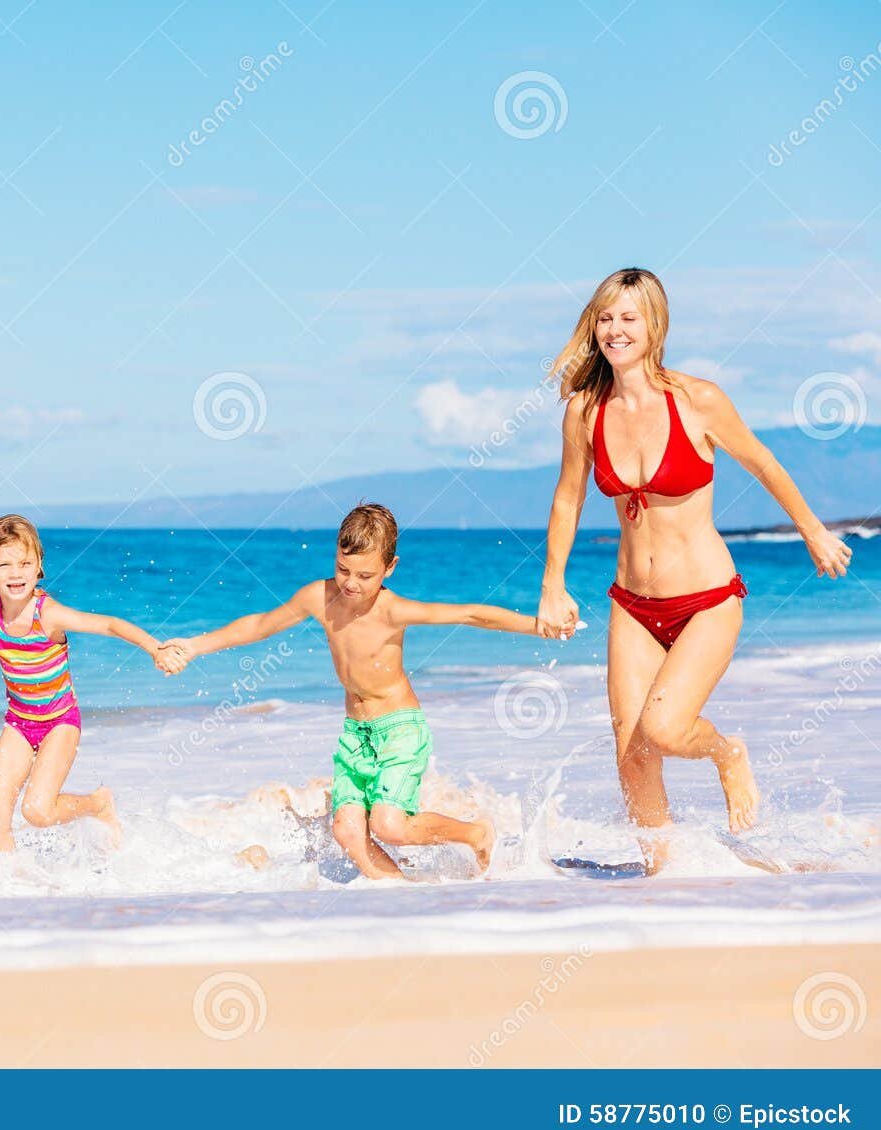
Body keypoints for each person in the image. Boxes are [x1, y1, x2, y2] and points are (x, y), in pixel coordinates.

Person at [535, 267, 850, 864]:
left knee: (664, 728)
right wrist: (553, 585)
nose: (615, 329)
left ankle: (728, 754)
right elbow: (567, 499)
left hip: (707, 600)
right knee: (631, 752)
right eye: (605, 318)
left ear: (654, 325)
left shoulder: (697, 400)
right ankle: (663, 872)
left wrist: (813, 531)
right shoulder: (584, 411)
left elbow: (763, 463)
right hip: (632, 604)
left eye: (629, 317)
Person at [158, 504, 530, 880]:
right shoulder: (318, 597)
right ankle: (400, 893)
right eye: (343, 569)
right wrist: (194, 646)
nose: (351, 583)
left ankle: (476, 834)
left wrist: (537, 625)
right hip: (356, 734)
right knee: (347, 831)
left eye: (365, 575)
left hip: (399, 730)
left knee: (389, 826)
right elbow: (260, 625)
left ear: (390, 567)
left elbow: (470, 614)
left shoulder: (392, 610)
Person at [0, 515, 158, 852]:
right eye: (5, 564)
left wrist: (155, 648)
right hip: (19, 722)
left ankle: (98, 803)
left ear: (39, 565)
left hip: (60, 722)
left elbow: (109, 625)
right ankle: (9, 878)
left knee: (37, 811)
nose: (15, 573)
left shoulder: (48, 614)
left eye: (25, 563)